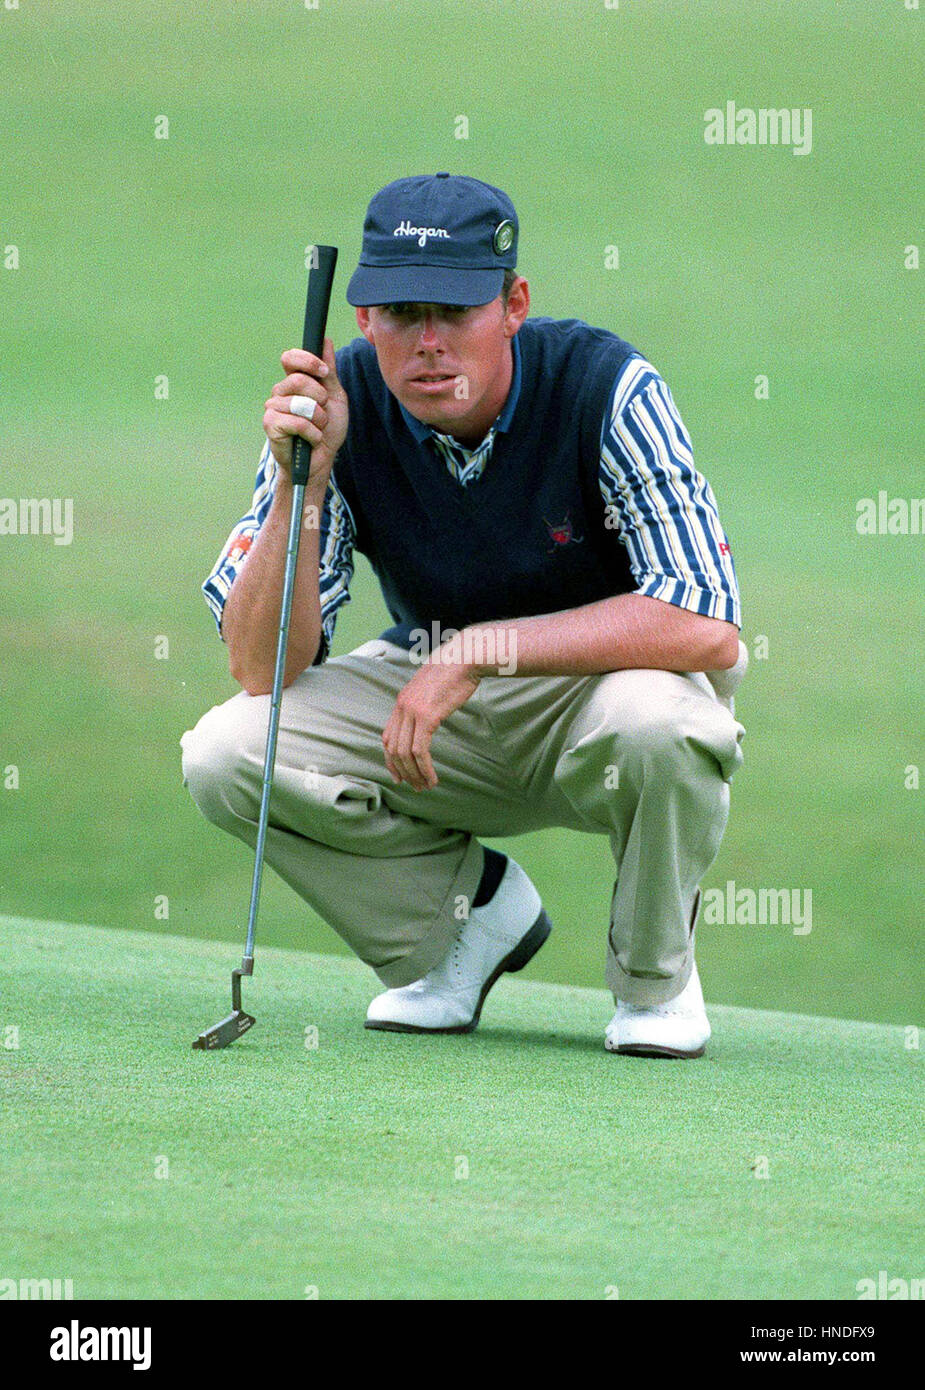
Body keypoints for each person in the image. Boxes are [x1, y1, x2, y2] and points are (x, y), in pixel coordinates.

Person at [181, 173, 746, 1059]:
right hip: (432, 697)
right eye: (402, 313)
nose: (429, 342)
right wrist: (305, 484)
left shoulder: (604, 387)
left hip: (596, 693)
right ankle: (462, 927)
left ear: (513, 303)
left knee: (662, 726)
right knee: (226, 751)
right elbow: (263, 670)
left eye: (456, 310)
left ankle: (654, 980)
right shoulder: (338, 406)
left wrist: (484, 649)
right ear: (364, 320)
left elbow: (706, 624)